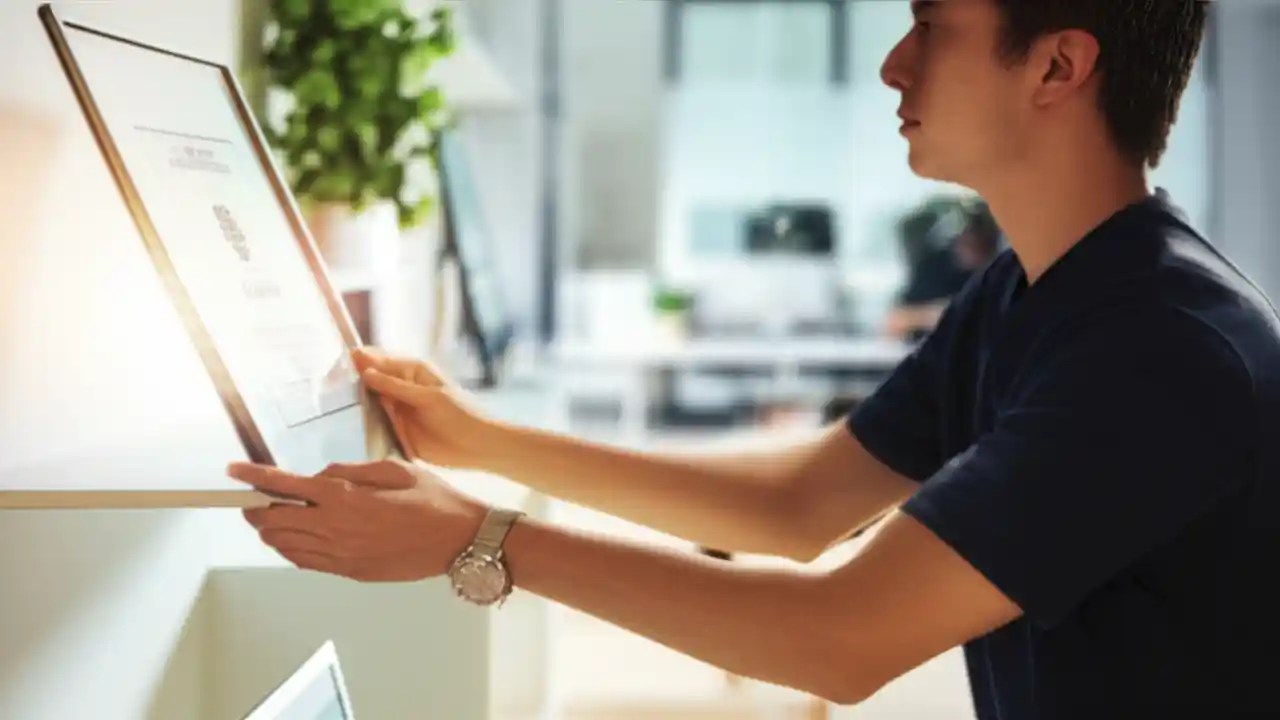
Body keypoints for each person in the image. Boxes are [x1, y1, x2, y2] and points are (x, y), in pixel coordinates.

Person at [228, 1, 1280, 716]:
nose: (893, 64)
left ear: (1056, 65)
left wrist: (477, 538)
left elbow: (842, 639)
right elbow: (799, 503)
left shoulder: (1162, 348)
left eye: (929, 24)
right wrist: (481, 441)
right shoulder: (1029, 293)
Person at [885, 198, 1002, 340]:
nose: (973, 242)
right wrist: (934, 315)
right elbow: (894, 322)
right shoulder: (934, 268)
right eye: (968, 235)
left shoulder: (1003, 273)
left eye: (981, 238)